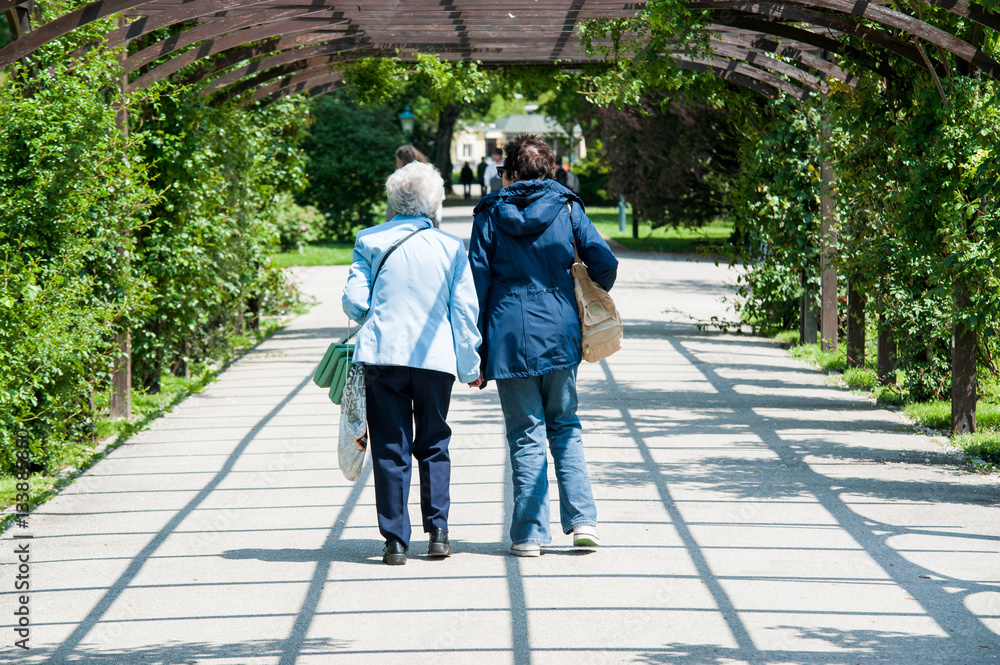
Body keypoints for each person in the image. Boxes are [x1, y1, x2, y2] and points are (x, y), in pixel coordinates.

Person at [468, 134, 618, 557]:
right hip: (559, 330)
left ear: (510, 171)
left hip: (507, 336)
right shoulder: (568, 208)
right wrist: (588, 287)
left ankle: (530, 534)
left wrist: (475, 350)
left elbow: (477, 287)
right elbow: (605, 262)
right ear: (549, 170)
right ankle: (584, 521)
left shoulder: (490, 215)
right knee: (565, 426)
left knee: (524, 433)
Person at [343, 161, 482, 566]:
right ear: (434, 202)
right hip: (434, 360)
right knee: (435, 441)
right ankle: (438, 531)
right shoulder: (452, 247)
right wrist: (470, 366)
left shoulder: (368, 240)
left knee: (390, 445)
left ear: (393, 199)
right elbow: (464, 312)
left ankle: (395, 541)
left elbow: (355, 303)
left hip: (384, 357)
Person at [386, 145, 429, 221]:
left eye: (397, 161)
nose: (396, 165)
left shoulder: (398, 184)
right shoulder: (427, 178)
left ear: (403, 161)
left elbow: (390, 214)